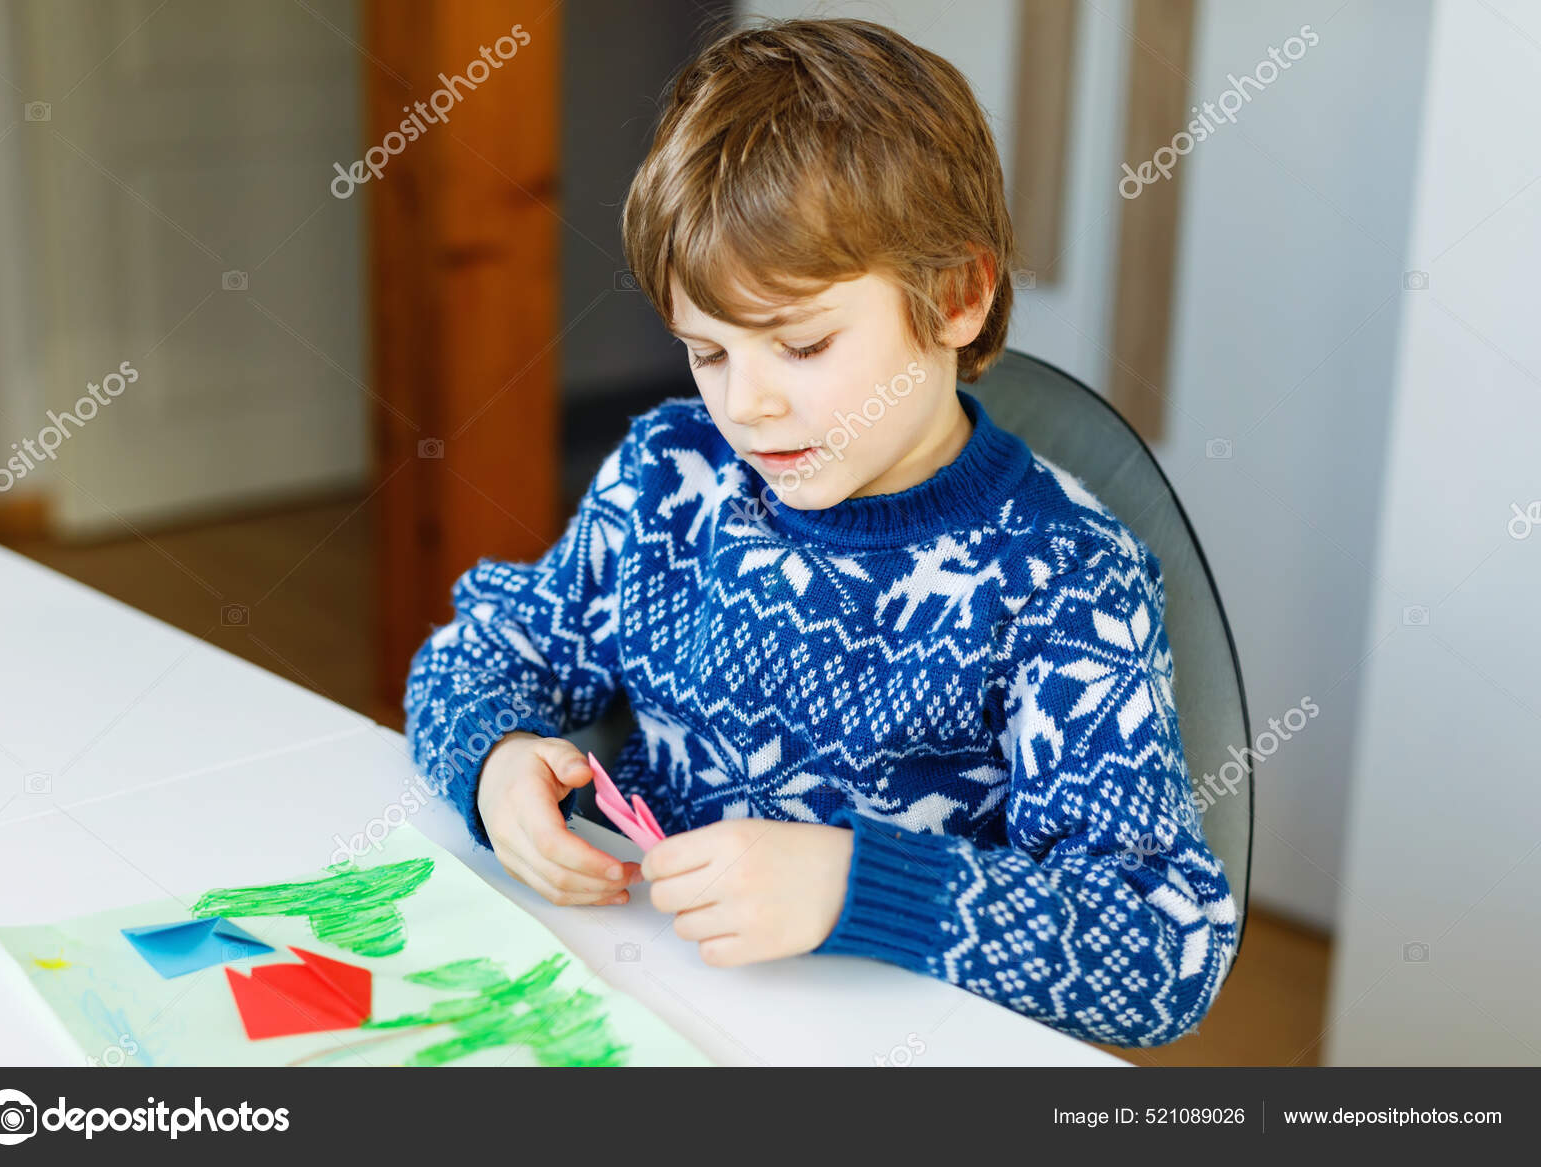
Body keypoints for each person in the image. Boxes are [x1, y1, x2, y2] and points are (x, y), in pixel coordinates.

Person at [404, 16, 1237, 1047]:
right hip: (653, 1012)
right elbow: (472, 660)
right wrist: (494, 765)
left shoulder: (1062, 576)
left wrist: (862, 886)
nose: (743, 407)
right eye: (706, 353)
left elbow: (1164, 955)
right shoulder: (671, 480)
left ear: (957, 296)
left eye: (800, 345)